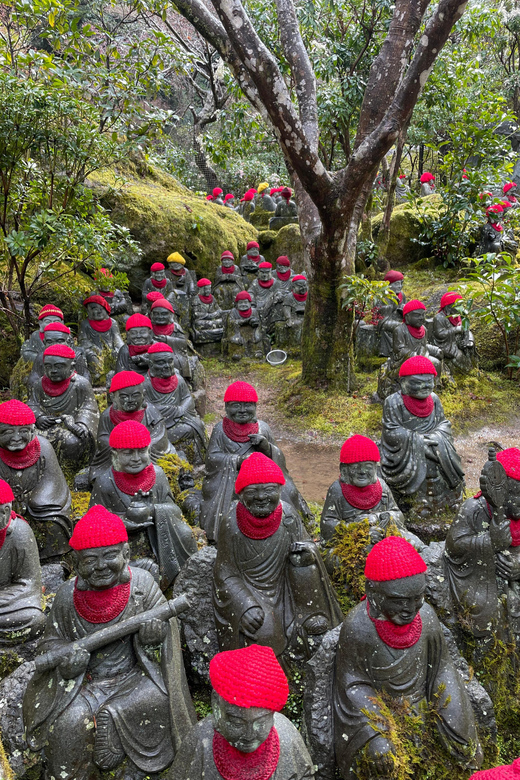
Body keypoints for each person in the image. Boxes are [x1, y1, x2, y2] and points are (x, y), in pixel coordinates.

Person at [23, 505, 196, 780]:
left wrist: (153, 641)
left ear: (125, 554)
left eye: (109, 556)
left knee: (159, 700)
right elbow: (50, 645)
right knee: (68, 723)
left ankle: (134, 771)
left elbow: (167, 633)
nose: (101, 566)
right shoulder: (67, 597)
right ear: (77, 562)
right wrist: (69, 667)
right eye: (90, 560)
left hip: (135, 676)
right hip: (87, 683)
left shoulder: (142, 586)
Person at [334, 536, 482, 779]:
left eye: (417, 598)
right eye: (399, 600)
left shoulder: (427, 617)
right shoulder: (358, 627)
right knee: (381, 758)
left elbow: (442, 667)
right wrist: (378, 731)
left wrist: (454, 712)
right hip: (381, 712)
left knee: (462, 740)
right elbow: (353, 685)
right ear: (373, 591)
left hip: (423, 706)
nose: (410, 609)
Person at [213, 452, 342, 662]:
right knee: (264, 634)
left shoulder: (288, 516)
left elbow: (307, 543)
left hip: (288, 587)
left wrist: (308, 553)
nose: (262, 497)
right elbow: (225, 572)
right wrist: (245, 605)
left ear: (280, 491)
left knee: (306, 565)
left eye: (270, 490)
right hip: (253, 591)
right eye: (253, 491)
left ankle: (312, 617)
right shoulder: (231, 525)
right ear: (240, 495)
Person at [170, 644, 315, 780]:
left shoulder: (287, 738)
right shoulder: (201, 740)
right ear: (216, 707)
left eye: (261, 722)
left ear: (272, 716)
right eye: (237, 723)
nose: (249, 735)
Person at [199, 381, 311, 542]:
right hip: (230, 476)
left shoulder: (263, 428)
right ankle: (221, 534)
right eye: (236, 405)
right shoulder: (220, 430)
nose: (243, 410)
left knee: (288, 491)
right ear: (226, 407)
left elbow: (278, 458)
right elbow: (211, 459)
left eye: (248, 405)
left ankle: (289, 527)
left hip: (263, 477)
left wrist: (267, 448)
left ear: (256, 407)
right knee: (230, 499)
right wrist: (237, 460)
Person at [89, 421, 197, 588]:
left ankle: (183, 577)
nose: (136, 459)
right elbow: (93, 522)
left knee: (185, 533)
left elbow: (173, 510)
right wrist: (124, 522)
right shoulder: (105, 482)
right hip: (123, 542)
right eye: (129, 453)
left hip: (159, 534)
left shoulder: (158, 476)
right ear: (115, 454)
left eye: (141, 451)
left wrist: (153, 510)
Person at [445, 447, 520, 640]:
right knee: (487, 612)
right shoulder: (474, 509)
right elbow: (453, 547)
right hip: (480, 577)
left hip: (513, 579)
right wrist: (488, 542)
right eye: (516, 494)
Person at [380, 356, 464, 516]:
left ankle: (447, 502)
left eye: (429, 382)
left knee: (447, 462)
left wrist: (437, 437)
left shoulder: (434, 399)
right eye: (418, 382)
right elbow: (390, 430)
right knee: (423, 463)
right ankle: (417, 505)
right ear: (404, 383)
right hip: (406, 450)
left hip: (435, 444)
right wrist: (417, 440)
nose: (425, 386)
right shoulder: (393, 402)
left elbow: (443, 424)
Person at [0, 399, 71, 560]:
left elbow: (52, 481)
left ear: (32, 430)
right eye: (7, 432)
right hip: (3, 507)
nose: (16, 437)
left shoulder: (43, 447)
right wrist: (8, 501)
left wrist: (34, 501)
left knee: (53, 524)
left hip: (39, 506)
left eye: (23, 431)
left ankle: (52, 559)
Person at [321, 435, 416, 548]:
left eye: (368, 466)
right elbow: (327, 524)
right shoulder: (337, 490)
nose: (362, 471)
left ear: (376, 468)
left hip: (384, 536)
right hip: (352, 543)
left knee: (413, 543)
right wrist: (357, 528)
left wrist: (380, 517)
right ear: (344, 469)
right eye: (356, 467)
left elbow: (398, 515)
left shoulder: (382, 487)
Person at [89, 370, 173, 482]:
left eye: (135, 395)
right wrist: (121, 448)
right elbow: (102, 439)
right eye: (124, 397)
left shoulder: (151, 411)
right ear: (114, 397)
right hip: (121, 455)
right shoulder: (107, 416)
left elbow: (160, 435)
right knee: (107, 473)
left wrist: (143, 446)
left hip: (146, 453)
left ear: (144, 394)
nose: (130, 400)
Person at [28, 345, 99, 472]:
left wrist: (79, 425)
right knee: (30, 439)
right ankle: (41, 470)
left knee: (72, 442)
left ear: (72, 366)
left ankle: (68, 473)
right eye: (48, 367)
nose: (53, 371)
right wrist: (39, 417)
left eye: (59, 366)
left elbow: (88, 408)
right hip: (45, 427)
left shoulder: (80, 384)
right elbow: (32, 404)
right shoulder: (39, 384)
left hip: (70, 428)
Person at [144, 342, 207, 467]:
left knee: (197, 425)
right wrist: (174, 410)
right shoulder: (145, 384)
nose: (167, 366)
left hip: (180, 419)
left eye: (170, 361)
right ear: (151, 364)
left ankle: (200, 461)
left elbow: (187, 398)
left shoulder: (179, 380)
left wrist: (181, 409)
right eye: (161, 362)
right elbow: (147, 410)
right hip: (158, 428)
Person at [0, 479, 45, 643]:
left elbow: (29, 583)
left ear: (5, 512)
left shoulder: (20, 533)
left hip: (8, 603)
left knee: (35, 620)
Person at [28, 321, 91, 391]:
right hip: (47, 392)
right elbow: (34, 377)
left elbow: (85, 377)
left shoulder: (76, 357)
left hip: (71, 392)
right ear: (44, 342)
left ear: (69, 341)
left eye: (60, 341)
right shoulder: (41, 357)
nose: (55, 345)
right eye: (49, 342)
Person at [78, 295, 123, 383]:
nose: (98, 312)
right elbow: (83, 340)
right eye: (94, 309)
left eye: (101, 309)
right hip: (94, 350)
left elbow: (117, 338)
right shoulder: (85, 324)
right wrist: (93, 347)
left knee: (119, 353)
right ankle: (96, 375)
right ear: (89, 311)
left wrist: (118, 348)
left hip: (110, 349)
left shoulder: (112, 323)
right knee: (90, 354)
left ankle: (117, 373)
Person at [432, 291, 475, 374]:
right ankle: (467, 371)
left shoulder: (460, 315)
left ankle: (472, 368)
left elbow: (466, 329)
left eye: (461, 305)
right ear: (448, 307)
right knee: (459, 356)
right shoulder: (439, 318)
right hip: (446, 344)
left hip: (458, 341)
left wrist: (468, 340)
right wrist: (455, 330)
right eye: (457, 305)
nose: (460, 308)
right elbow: (439, 334)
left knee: (469, 348)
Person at [222, 291, 263, 360]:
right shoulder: (233, 312)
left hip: (252, 331)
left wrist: (255, 323)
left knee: (256, 338)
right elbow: (231, 323)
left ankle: (256, 352)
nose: (243, 304)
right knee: (236, 340)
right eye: (241, 303)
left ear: (250, 303)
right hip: (237, 332)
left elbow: (258, 322)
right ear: (236, 304)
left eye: (245, 302)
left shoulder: (254, 311)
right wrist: (244, 321)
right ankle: (237, 352)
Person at [377, 270, 406, 357]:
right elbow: (379, 311)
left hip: (398, 317)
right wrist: (393, 306)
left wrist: (404, 308)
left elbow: (405, 305)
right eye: (397, 284)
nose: (400, 286)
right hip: (385, 320)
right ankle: (393, 349)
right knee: (399, 327)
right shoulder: (382, 295)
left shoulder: (402, 295)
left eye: (401, 283)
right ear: (389, 285)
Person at [190, 279, 224, 354]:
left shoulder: (213, 298)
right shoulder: (196, 299)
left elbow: (219, 310)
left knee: (222, 321)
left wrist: (216, 313)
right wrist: (209, 315)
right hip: (202, 321)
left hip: (213, 320)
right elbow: (195, 314)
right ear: (201, 289)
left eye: (209, 288)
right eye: (206, 288)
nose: (208, 290)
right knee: (198, 324)